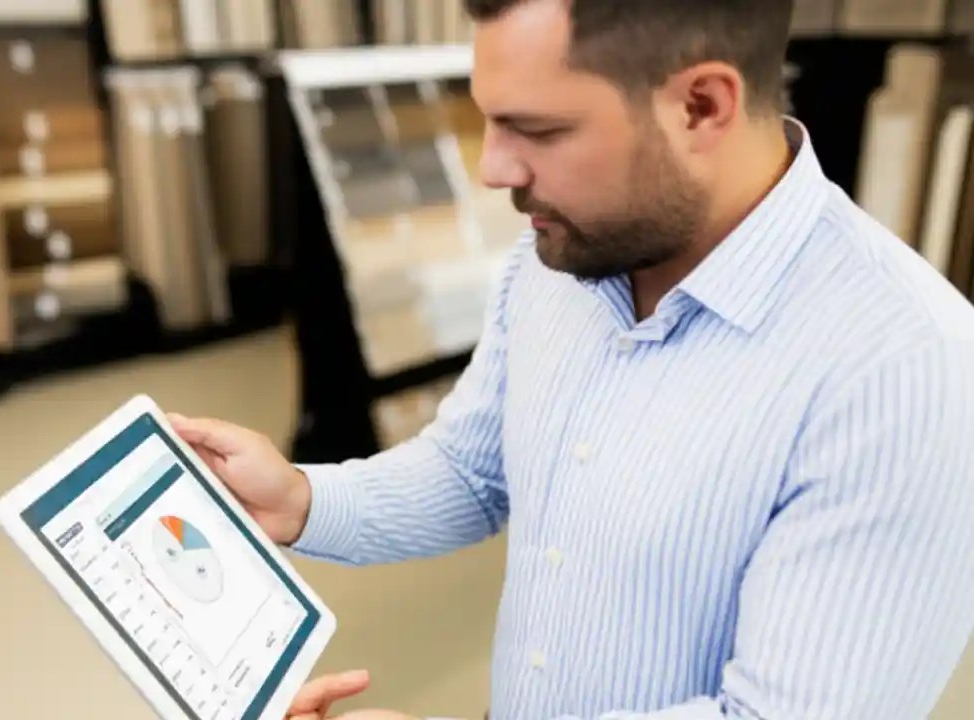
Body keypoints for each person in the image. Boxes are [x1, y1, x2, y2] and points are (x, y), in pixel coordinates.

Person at [172, 0, 974, 717]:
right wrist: (303, 498)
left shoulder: (903, 371)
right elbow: (470, 470)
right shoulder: (560, 258)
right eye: (488, 119)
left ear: (702, 106)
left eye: (540, 130)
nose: (494, 170)